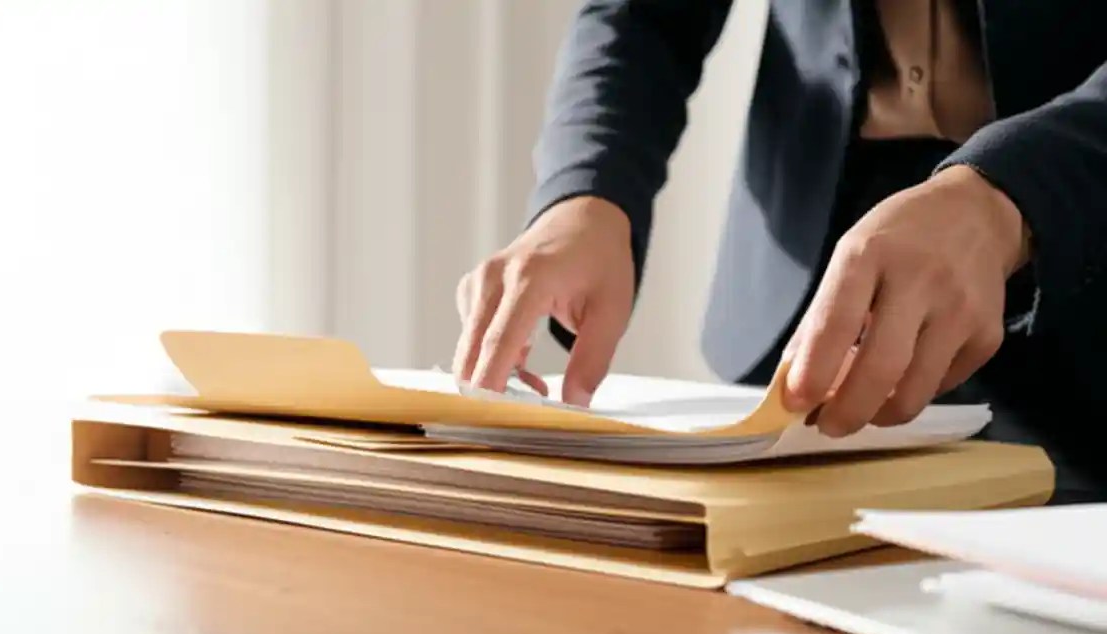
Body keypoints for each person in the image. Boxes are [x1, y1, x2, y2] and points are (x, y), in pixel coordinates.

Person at [452, 1, 1107, 502]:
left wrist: (1016, 191)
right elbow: (643, 14)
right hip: (810, 281)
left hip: (1080, 247)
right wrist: (586, 191)